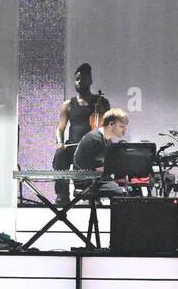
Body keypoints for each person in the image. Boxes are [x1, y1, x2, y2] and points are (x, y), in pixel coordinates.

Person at [54, 63, 110, 202]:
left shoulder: (102, 102)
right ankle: (62, 195)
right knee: (60, 155)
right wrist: (60, 142)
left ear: (90, 80)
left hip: (91, 147)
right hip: (73, 145)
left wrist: (100, 111)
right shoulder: (68, 104)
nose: (79, 82)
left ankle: (89, 192)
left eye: (82, 79)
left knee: (96, 155)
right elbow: (60, 128)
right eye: (77, 79)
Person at [73, 107, 130, 196]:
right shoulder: (95, 139)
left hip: (97, 178)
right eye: (121, 126)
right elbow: (99, 169)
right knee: (125, 192)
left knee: (129, 186)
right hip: (87, 181)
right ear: (111, 124)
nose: (124, 130)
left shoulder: (106, 139)